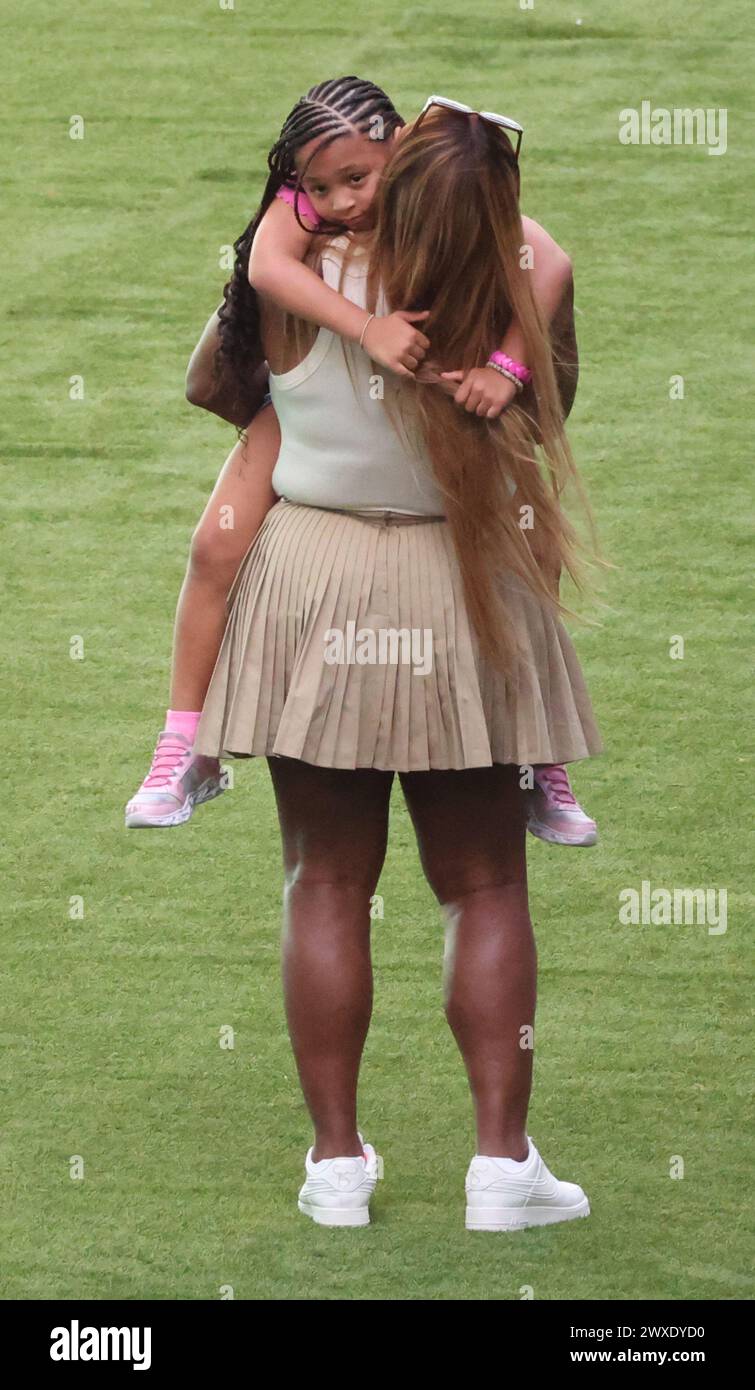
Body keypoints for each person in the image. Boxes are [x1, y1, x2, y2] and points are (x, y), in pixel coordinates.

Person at [187, 94, 603, 1230]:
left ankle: (333, 1168)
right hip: (461, 582)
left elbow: (214, 378)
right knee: (481, 882)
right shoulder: (492, 284)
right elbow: (550, 374)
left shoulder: (291, 269)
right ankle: (497, 1168)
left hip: (312, 579)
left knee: (324, 877)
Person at [125, 76, 597, 846]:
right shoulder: (302, 206)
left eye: (357, 179)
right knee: (214, 547)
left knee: (529, 550)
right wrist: (366, 327)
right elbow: (268, 270)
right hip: (306, 409)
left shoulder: (445, 198)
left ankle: (537, 761)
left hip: (460, 433)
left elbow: (547, 261)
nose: (341, 201)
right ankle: (186, 744)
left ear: (401, 150)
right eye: (320, 185)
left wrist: (506, 370)